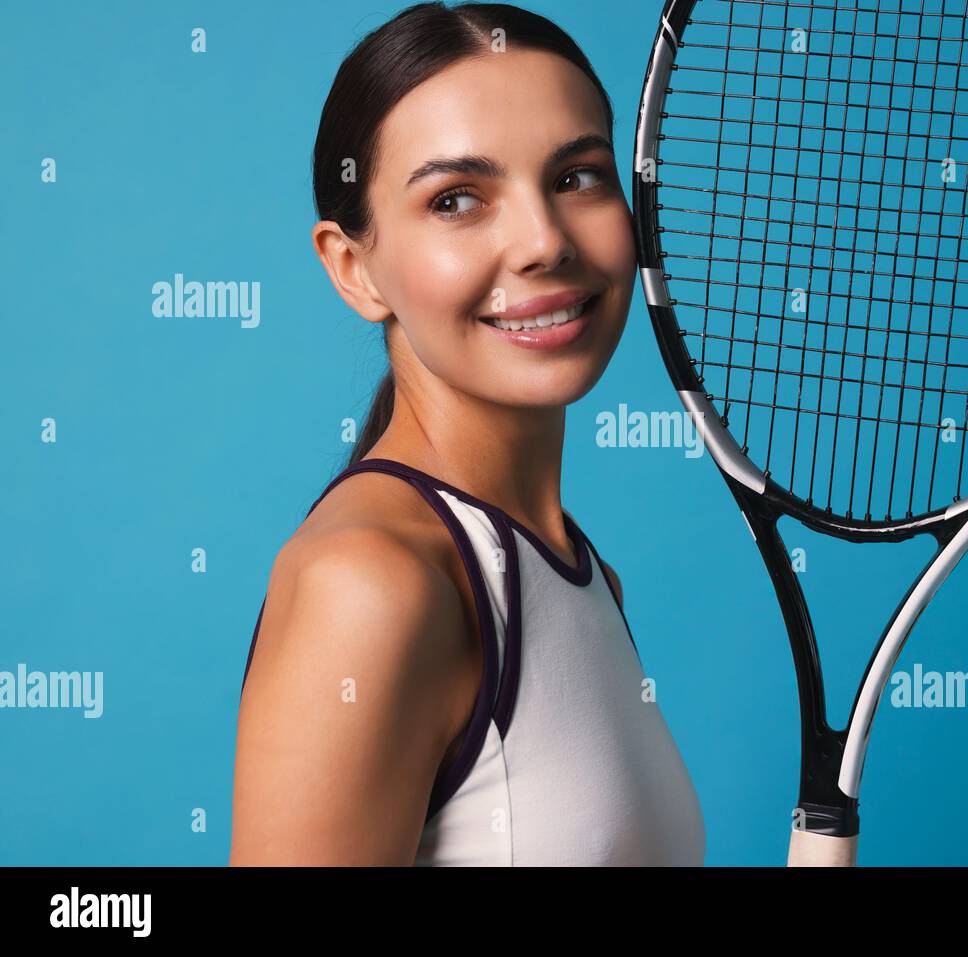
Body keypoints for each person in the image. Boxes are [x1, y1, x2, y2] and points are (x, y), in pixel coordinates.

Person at [229, 1, 705, 866]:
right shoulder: (371, 586)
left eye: (576, 177)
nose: (542, 242)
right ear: (354, 267)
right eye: (456, 199)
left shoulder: (582, 575)